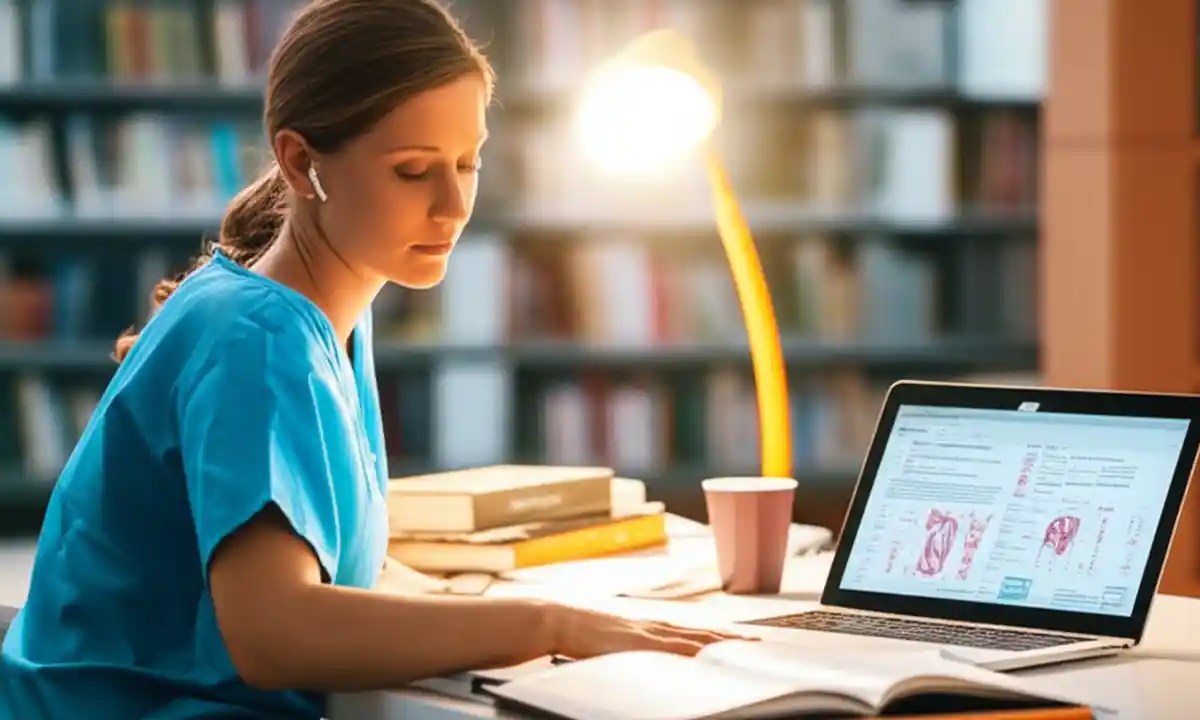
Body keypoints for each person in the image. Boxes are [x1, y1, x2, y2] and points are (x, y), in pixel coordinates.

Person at [0, 1, 739, 718]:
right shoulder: (258, 337)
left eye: (468, 163)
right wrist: (547, 625)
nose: (454, 205)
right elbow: (274, 633)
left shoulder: (327, 315)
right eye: (414, 171)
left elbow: (335, 569)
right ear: (301, 163)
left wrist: (534, 610)